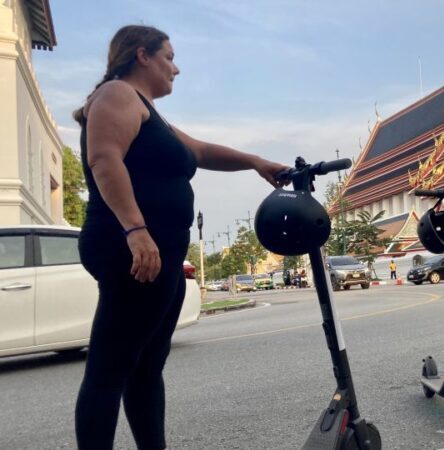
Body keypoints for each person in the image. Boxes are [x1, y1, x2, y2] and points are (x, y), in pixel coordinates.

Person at [72, 25, 289, 449]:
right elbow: (104, 159)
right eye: (169, 57)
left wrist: (255, 162)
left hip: (160, 253)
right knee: (109, 370)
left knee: (146, 367)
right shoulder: (116, 94)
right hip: (131, 250)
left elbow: (202, 152)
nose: (176, 67)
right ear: (142, 56)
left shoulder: (149, 112)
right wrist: (136, 229)